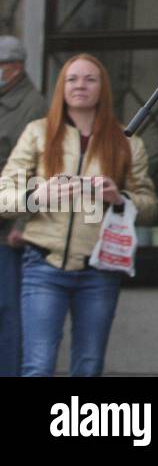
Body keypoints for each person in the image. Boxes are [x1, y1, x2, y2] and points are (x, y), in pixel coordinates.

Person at [0, 54, 157, 376]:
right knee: (38, 365)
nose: (80, 85)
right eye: (72, 79)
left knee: (88, 365)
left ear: (103, 88)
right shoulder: (38, 133)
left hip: (100, 268)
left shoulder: (127, 142)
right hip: (43, 264)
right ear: (62, 87)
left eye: (90, 79)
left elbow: (150, 205)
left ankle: (77, 426)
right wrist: (36, 196)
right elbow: (4, 197)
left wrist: (120, 198)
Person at [0, 36, 47, 376]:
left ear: (13, 68)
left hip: (7, 232)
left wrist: (22, 224)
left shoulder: (33, 107)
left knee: (9, 314)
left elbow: (38, 170)